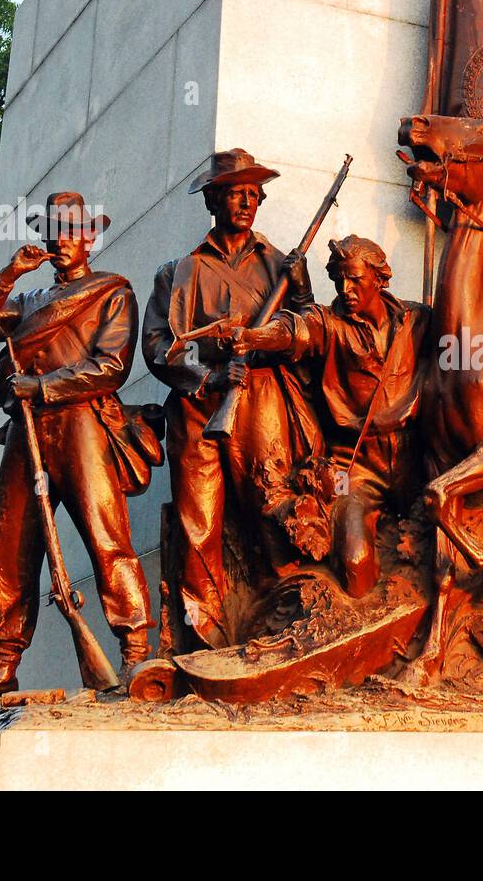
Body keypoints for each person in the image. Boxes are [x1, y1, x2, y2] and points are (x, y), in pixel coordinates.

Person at [0, 192, 155, 699]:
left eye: (72, 231)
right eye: (54, 232)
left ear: (89, 237)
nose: (62, 241)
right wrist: (7, 276)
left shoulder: (112, 293)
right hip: (27, 432)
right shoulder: (24, 304)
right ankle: (4, 663)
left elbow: (111, 367)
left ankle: (134, 652)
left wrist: (41, 386)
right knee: (12, 548)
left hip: (83, 424)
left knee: (107, 539)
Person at [142, 149, 321, 649]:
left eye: (252, 193)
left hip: (262, 395)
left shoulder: (281, 266)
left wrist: (282, 325)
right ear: (214, 200)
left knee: (272, 504)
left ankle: (291, 618)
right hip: (199, 403)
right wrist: (207, 375)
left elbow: (310, 329)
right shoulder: (177, 272)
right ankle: (205, 639)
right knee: (197, 522)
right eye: (235, 192)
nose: (246, 201)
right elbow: (157, 345)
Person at [233, 236, 429, 598]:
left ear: (380, 278)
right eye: (340, 280)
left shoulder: (417, 320)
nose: (345, 288)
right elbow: (296, 330)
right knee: (354, 562)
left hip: (414, 461)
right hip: (355, 468)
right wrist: (256, 337)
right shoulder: (330, 322)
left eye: (355, 279)